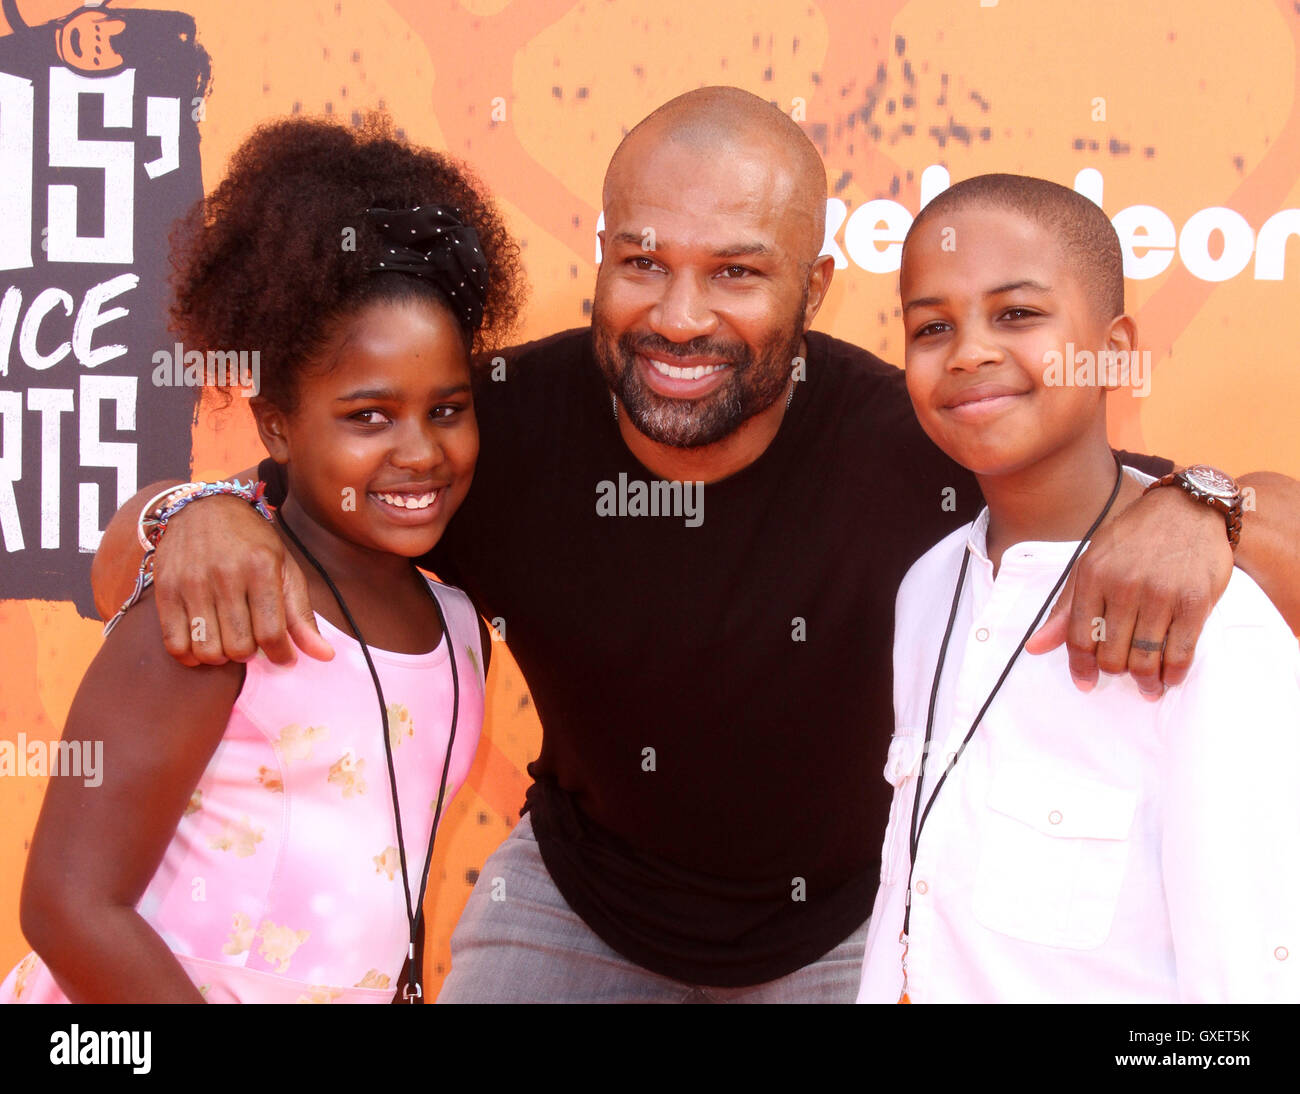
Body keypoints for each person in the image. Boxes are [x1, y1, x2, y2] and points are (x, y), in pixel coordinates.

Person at [93, 88, 1300, 1003]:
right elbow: (129, 566)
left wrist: (1211, 503)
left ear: (814, 287)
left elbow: (1251, 528)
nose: (678, 316)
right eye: (642, 263)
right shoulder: (481, 428)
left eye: (735, 272)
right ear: (602, 257)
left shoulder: (927, 435)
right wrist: (181, 516)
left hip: (841, 927)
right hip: (572, 897)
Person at [2, 114, 523, 1003]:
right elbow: (68, 906)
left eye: (446, 408)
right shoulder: (221, 598)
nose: (420, 452)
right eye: (367, 416)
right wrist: (190, 511)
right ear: (276, 421)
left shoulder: (462, 625)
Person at [857, 173, 1300, 1003]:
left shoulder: (1210, 612)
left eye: (1017, 314)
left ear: (1116, 350)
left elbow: (1256, 981)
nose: (970, 351)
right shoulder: (927, 590)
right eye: (932, 327)